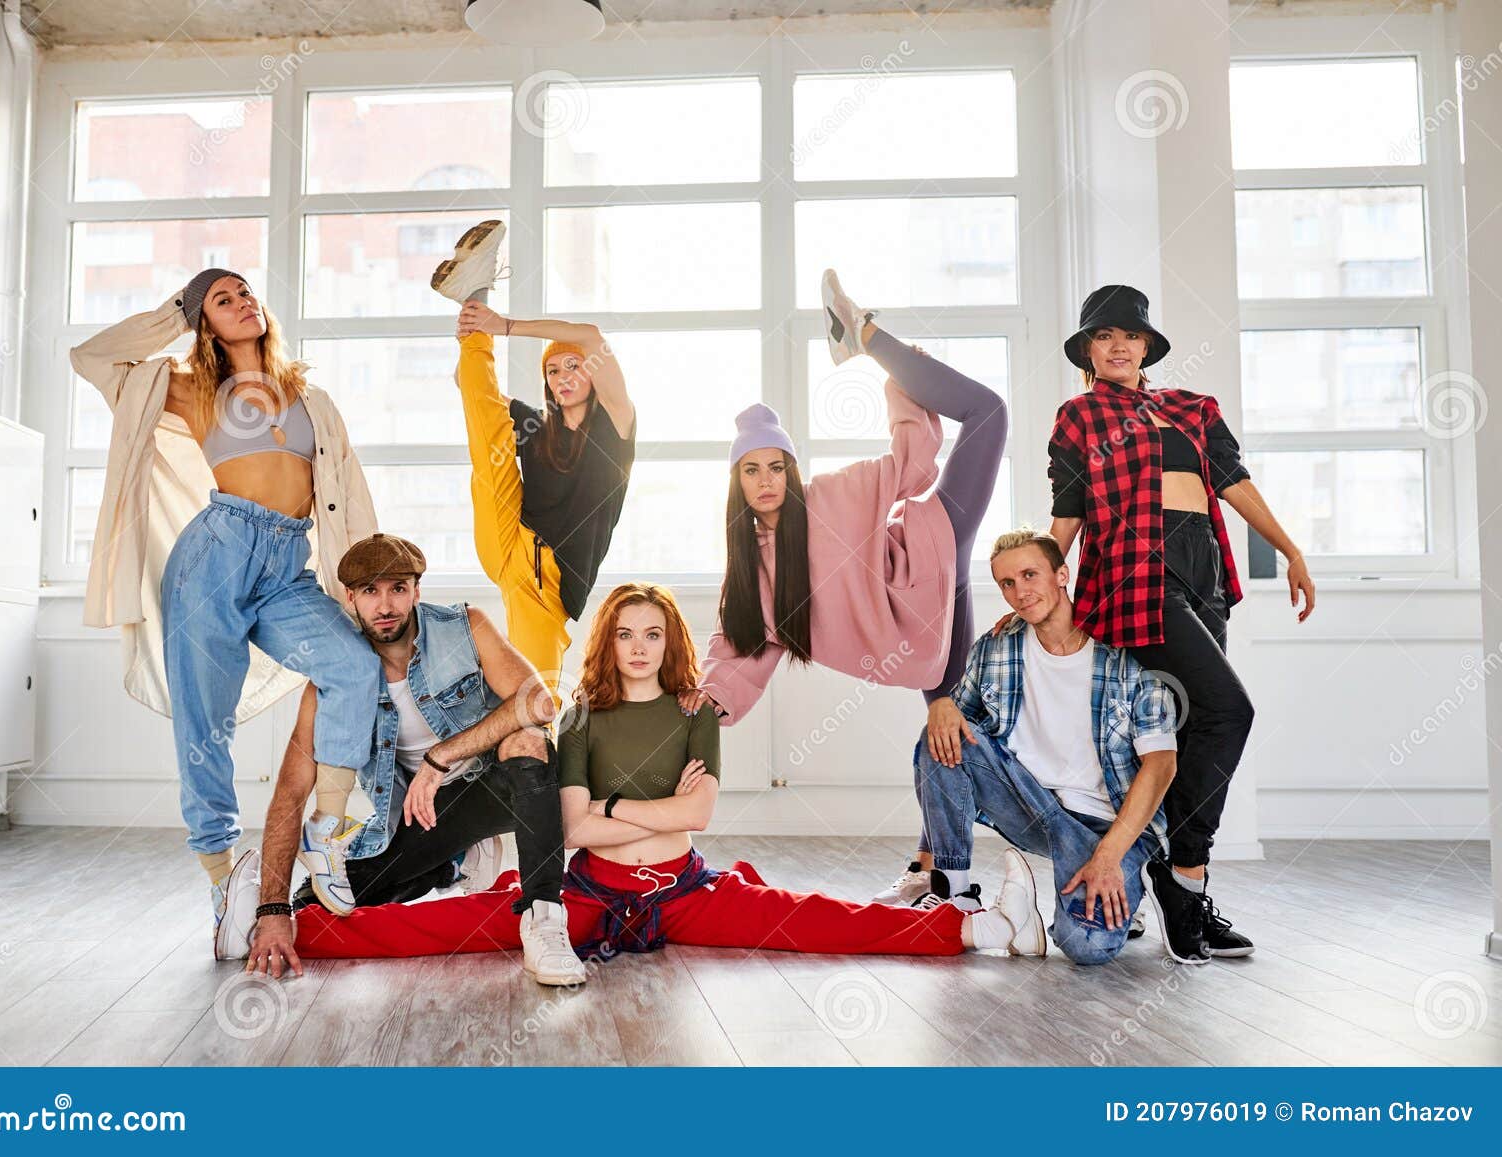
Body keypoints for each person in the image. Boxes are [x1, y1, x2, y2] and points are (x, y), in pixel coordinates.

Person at [217, 583, 1046, 972]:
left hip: (685, 888)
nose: (640, 646)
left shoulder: (697, 712)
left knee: (812, 918)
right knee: (447, 927)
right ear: (608, 643)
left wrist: (633, 813)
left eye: (654, 632)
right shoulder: (576, 721)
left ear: (669, 641)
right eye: (626, 634)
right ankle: (282, 922)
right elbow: (574, 828)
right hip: (590, 895)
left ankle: (977, 928)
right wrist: (649, 811)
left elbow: (704, 816)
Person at [681, 271, 1008, 905]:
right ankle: (864, 335)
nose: (767, 480)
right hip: (917, 622)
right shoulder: (752, 571)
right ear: (737, 482)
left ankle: (933, 870)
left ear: (791, 470)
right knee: (951, 721)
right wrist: (705, 702)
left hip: (930, 551)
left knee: (988, 410)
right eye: (752, 470)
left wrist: (900, 390)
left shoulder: (830, 494)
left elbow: (909, 465)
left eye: (777, 466)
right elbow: (742, 648)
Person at [70, 270, 380, 923]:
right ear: (203, 323)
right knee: (205, 722)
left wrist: (365, 576)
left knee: (354, 665)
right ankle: (219, 873)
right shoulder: (186, 388)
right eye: (222, 299)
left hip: (288, 563)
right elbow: (89, 357)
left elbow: (346, 492)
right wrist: (173, 315)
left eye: (245, 292)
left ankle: (325, 830)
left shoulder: (307, 395)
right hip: (214, 556)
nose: (242, 303)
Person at [1039, 285, 1315, 960]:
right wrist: (1038, 587)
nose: (1118, 345)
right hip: (1134, 579)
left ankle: (1160, 878)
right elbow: (1068, 511)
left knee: (1184, 734)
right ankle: (1184, 877)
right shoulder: (1079, 415)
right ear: (1087, 350)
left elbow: (1234, 481)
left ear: (1147, 345)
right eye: (1103, 336)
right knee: (1228, 710)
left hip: (1205, 575)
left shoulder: (1193, 409)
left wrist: (1290, 547)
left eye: (1129, 335)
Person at [219, 532, 587, 986]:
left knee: (528, 741)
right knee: (316, 903)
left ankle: (544, 918)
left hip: (491, 782)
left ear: (416, 590)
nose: (385, 605)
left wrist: (440, 758)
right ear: (350, 597)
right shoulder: (334, 681)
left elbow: (539, 701)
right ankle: (450, 861)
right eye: (370, 591)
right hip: (422, 814)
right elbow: (292, 789)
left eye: (397, 588)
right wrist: (271, 909)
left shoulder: (464, 627)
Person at [913, 527, 1187, 965]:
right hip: (1031, 806)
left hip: (1104, 826)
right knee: (939, 739)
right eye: (1007, 583)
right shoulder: (996, 647)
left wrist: (1109, 857)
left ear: (1062, 574)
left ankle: (1132, 883)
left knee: (1087, 946)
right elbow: (955, 744)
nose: (1020, 592)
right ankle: (956, 894)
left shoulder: (1124, 654)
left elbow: (1161, 766)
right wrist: (942, 704)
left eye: (1029, 575)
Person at [429, 220, 636, 707]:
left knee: (535, 698)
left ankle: (533, 775)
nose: (563, 376)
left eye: (572, 367)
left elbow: (588, 334)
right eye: (552, 369)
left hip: (547, 586)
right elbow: (470, 387)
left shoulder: (616, 426)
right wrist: (473, 327)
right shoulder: (535, 426)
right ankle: (472, 290)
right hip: (509, 534)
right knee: (488, 435)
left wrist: (502, 326)